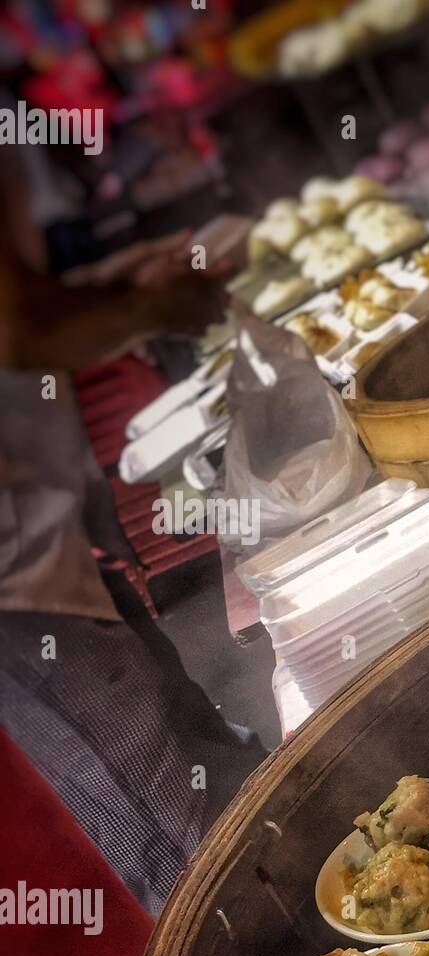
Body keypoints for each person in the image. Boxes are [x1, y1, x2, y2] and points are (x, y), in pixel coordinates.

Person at [0, 138, 264, 915]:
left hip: (48, 516)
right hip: (18, 582)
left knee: (190, 741)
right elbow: (17, 335)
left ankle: (292, 886)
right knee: (165, 825)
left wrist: (112, 284)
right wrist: (155, 307)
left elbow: (24, 308)